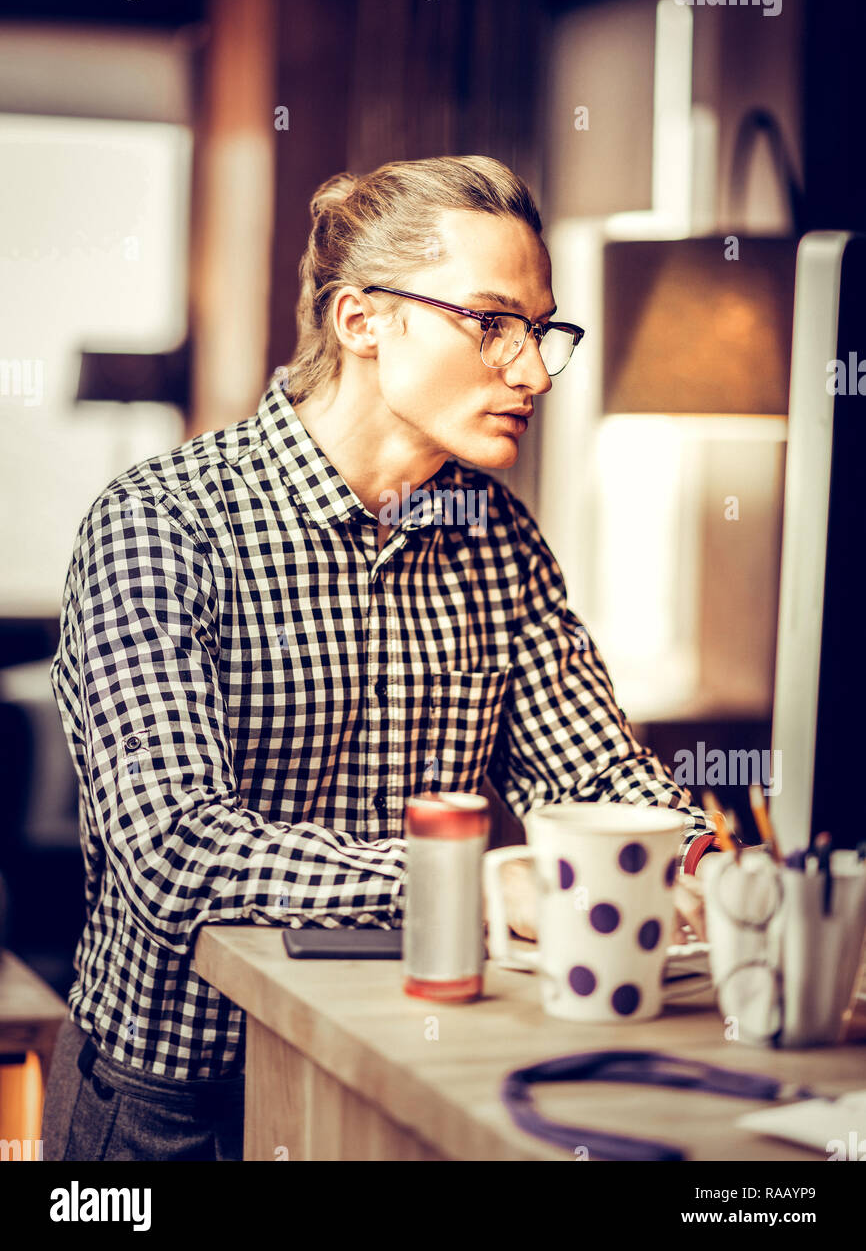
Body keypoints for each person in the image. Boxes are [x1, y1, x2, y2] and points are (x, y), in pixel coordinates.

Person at [44, 153, 723, 1161]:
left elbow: (595, 774)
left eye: (539, 333)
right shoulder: (162, 523)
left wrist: (701, 859)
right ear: (361, 320)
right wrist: (479, 884)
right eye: (490, 324)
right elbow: (174, 851)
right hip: (180, 1103)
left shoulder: (497, 537)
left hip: (407, 1066)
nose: (531, 370)